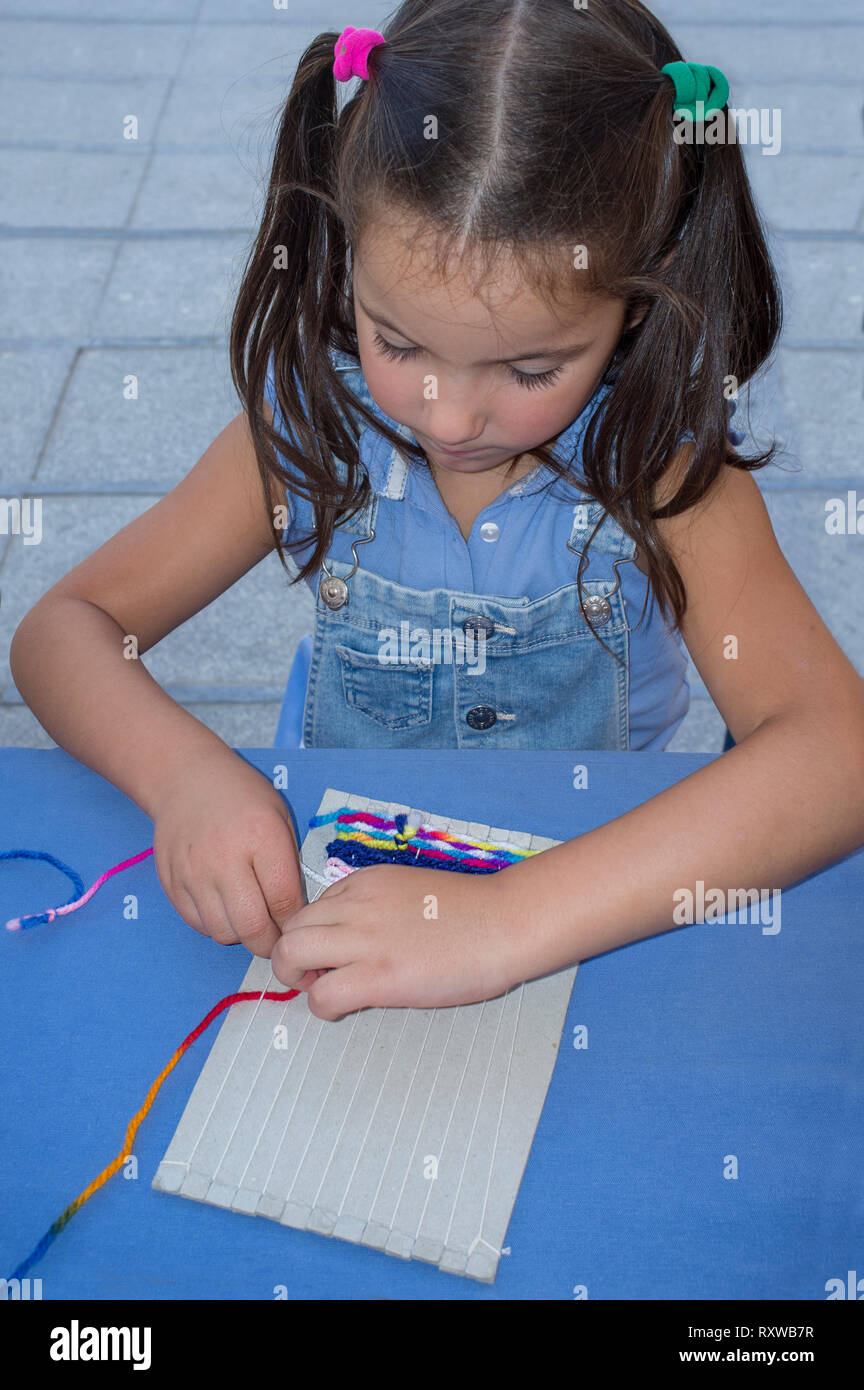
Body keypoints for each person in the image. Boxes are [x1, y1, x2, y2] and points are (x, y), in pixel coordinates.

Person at [11, 1, 864, 1020]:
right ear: (347, 257)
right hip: (334, 891)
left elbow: (836, 754)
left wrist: (504, 923)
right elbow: (65, 631)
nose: (448, 414)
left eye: (532, 366)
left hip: (586, 900)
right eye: (398, 341)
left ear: (636, 302)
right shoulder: (313, 426)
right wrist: (185, 775)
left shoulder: (663, 475)